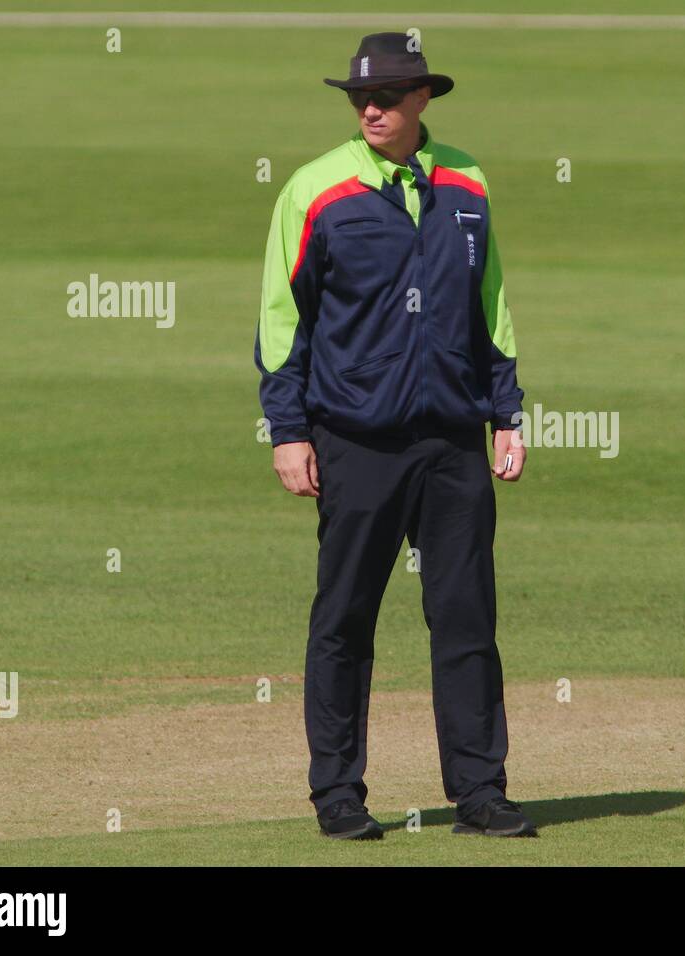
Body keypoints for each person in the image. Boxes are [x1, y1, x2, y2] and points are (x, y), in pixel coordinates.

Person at [254, 32, 535, 839]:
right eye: (359, 98)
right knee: (344, 621)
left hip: (452, 438)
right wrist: (287, 430)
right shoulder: (315, 189)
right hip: (356, 440)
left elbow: (491, 305)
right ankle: (338, 794)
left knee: (466, 620)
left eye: (384, 96)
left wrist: (507, 412)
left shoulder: (467, 181)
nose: (369, 109)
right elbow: (282, 319)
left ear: (422, 98)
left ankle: (480, 792)